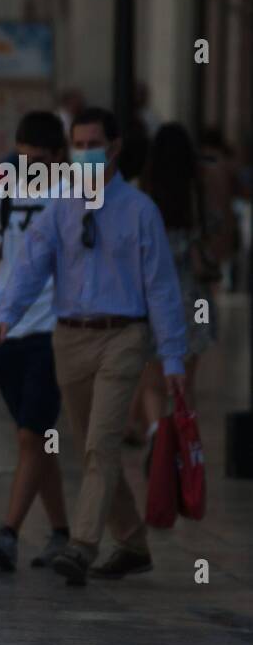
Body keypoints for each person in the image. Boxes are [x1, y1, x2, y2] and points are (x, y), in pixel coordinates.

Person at [0, 107, 188, 586]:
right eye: (77, 145)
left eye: (92, 144)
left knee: (102, 442)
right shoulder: (60, 206)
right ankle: (133, 542)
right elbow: (32, 264)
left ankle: (81, 545)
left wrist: (173, 357)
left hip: (124, 337)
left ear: (115, 147)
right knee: (89, 447)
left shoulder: (141, 211)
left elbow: (162, 286)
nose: (84, 153)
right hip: (70, 338)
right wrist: (6, 315)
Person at [0, 112, 71, 571]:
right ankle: (61, 532)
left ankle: (9, 532)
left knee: (31, 435)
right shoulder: (3, 198)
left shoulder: (75, 197)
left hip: (53, 331)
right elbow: (0, 260)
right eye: (22, 157)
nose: (28, 166)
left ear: (58, 157)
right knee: (35, 441)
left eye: (38, 159)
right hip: (9, 333)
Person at [136, 123, 217, 438]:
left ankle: (157, 434)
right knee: (186, 384)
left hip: (152, 297)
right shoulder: (197, 194)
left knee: (152, 383)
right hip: (192, 298)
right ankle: (184, 441)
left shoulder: (142, 196)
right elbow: (214, 239)